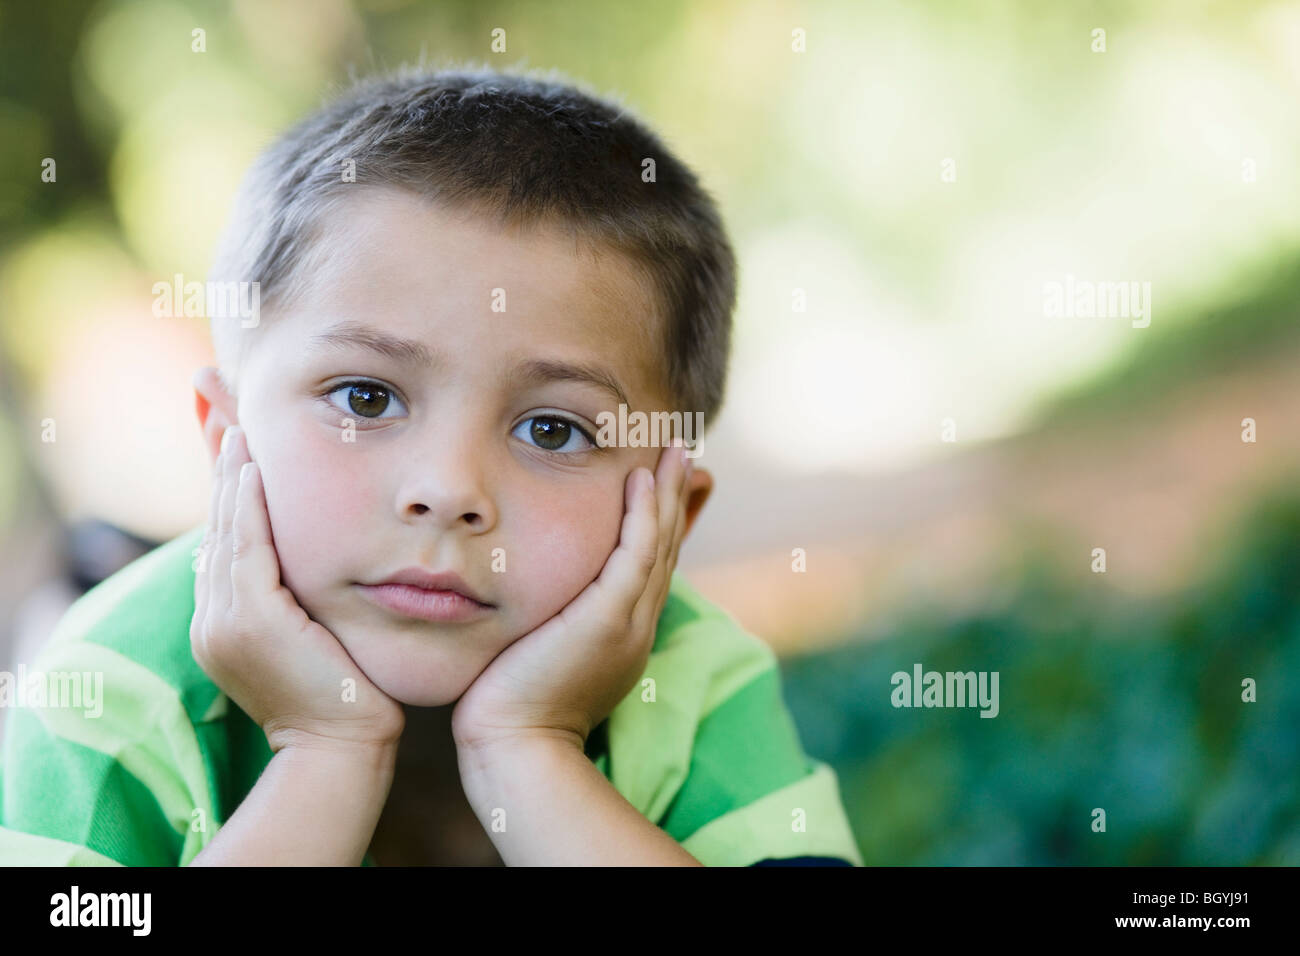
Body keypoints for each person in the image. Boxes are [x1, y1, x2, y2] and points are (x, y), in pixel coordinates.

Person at [0, 63, 862, 866]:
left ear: (671, 514)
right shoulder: (103, 690)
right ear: (227, 436)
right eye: (366, 399)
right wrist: (325, 751)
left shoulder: (692, 677)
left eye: (554, 432)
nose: (448, 491)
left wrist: (529, 749)